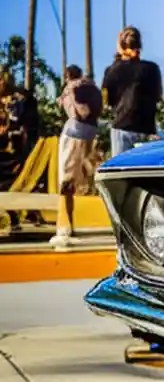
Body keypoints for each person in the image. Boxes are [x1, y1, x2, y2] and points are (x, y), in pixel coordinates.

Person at [51, 65, 102, 247]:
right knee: (89, 176)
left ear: (67, 76)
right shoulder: (93, 88)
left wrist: (68, 97)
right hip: (91, 132)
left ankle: (65, 226)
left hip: (73, 133)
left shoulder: (72, 88)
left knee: (65, 181)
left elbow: (79, 112)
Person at [102, 26, 163, 155]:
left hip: (121, 127)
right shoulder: (152, 69)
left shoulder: (111, 71)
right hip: (146, 127)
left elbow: (107, 101)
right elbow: (158, 96)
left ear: (120, 46)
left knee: (121, 171)